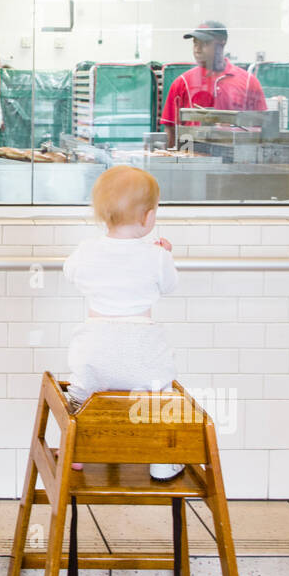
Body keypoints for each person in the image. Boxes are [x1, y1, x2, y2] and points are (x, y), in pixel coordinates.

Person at [60, 165, 182, 480]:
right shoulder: (156, 257)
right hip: (143, 355)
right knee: (162, 395)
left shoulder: (86, 251)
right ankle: (161, 459)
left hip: (94, 353)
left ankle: (75, 450)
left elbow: (70, 274)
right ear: (149, 217)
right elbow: (168, 287)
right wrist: (164, 256)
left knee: (80, 393)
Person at [160, 20, 267, 149]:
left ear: (222, 42)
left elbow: (262, 127)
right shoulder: (182, 83)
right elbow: (171, 130)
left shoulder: (249, 82)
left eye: (205, 43)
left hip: (236, 158)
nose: (197, 50)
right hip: (193, 158)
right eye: (195, 43)